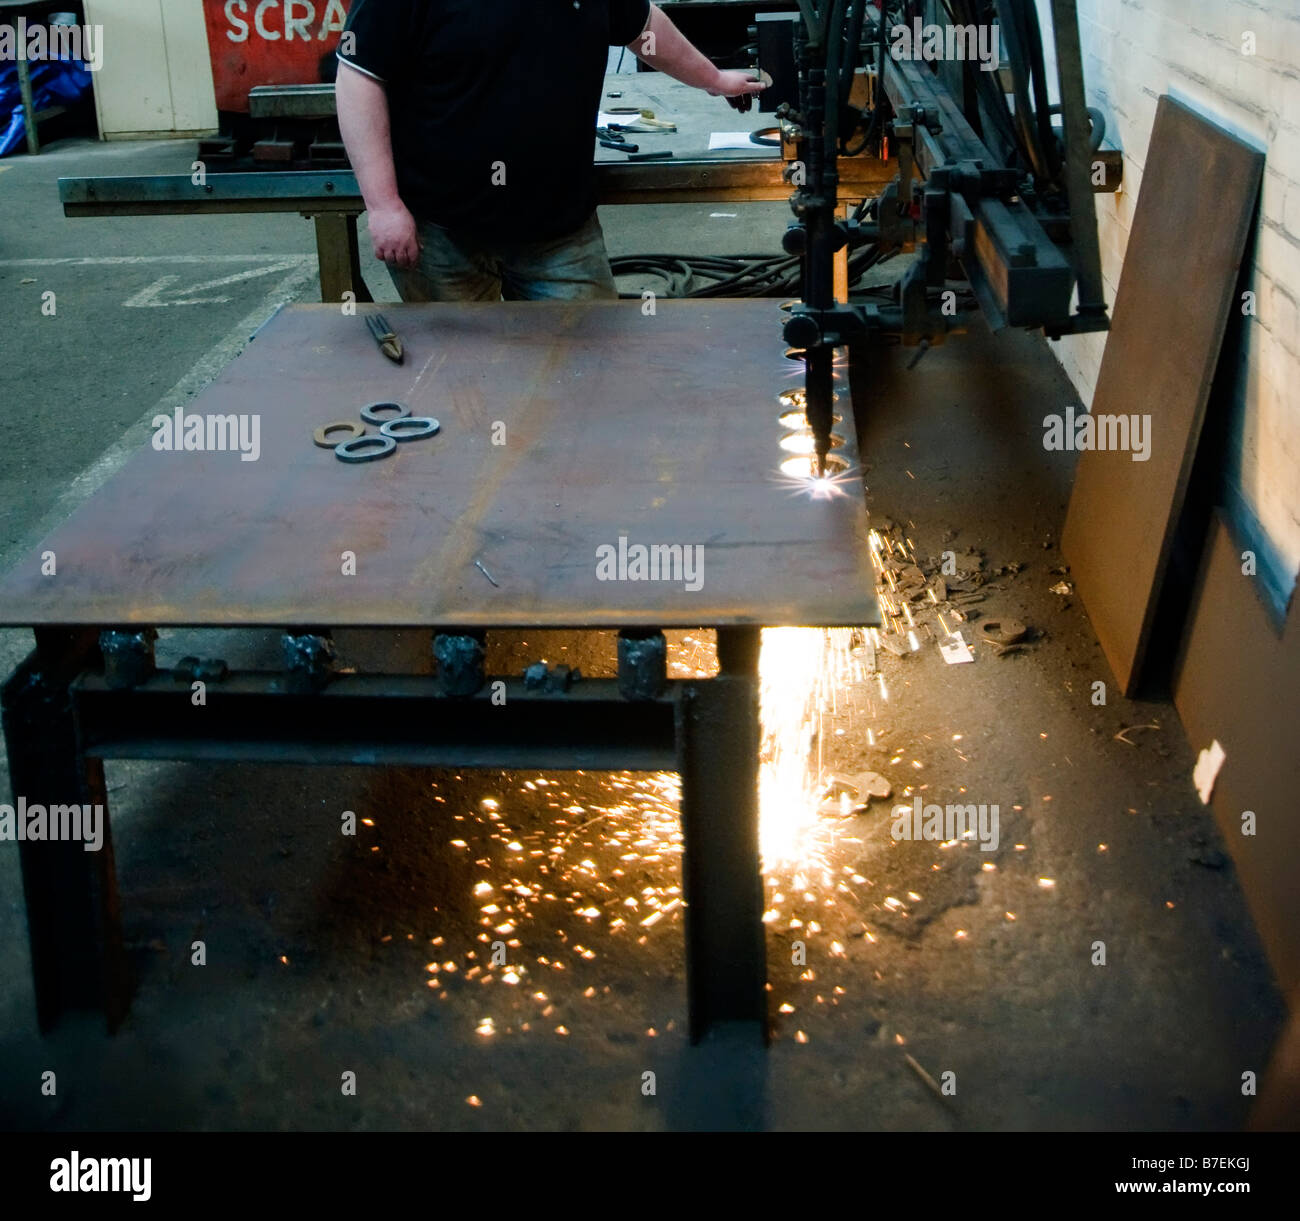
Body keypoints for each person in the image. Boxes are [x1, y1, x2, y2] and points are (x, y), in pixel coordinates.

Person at [336, 0, 765, 302]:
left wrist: (712, 78)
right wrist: (384, 205)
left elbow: (643, 26)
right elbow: (359, 78)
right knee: (462, 381)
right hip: (441, 230)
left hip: (558, 227)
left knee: (587, 371)